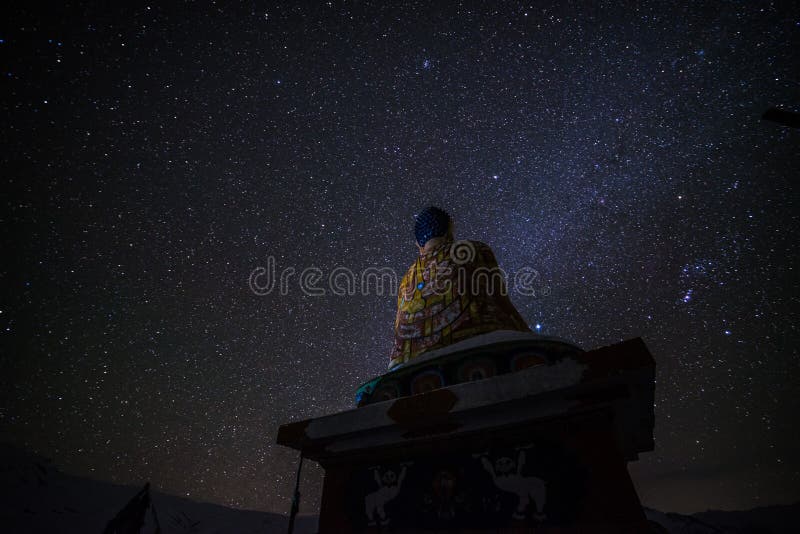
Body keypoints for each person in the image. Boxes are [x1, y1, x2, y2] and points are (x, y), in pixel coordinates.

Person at [389, 207, 530, 369]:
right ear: (449, 230)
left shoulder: (407, 278)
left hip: (410, 360)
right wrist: (524, 331)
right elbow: (501, 300)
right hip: (479, 342)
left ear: (417, 243)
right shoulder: (473, 250)